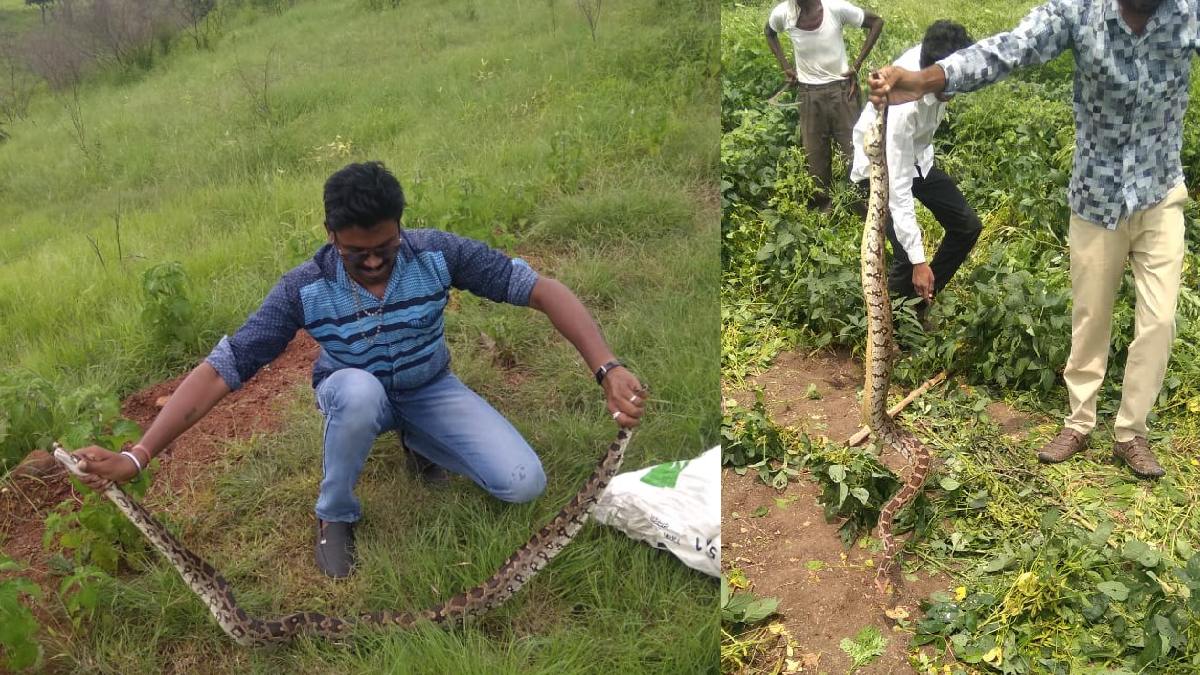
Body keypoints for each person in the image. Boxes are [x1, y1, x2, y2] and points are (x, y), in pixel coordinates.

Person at [68, 161, 648, 576]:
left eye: (384, 246)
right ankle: (335, 514)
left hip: (429, 385)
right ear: (330, 238)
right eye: (355, 251)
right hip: (351, 390)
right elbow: (225, 368)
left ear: (402, 227)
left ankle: (418, 439)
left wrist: (607, 367)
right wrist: (137, 455)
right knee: (361, 393)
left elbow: (541, 290)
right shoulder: (304, 288)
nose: (372, 261)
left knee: (525, 484)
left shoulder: (439, 254)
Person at [868, 0, 1195, 478]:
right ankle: (1080, 422)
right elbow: (1010, 48)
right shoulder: (1079, 13)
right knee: (1090, 315)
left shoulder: (1187, 14)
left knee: (1160, 319)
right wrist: (925, 79)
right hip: (1096, 199)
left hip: (1160, 193)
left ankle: (1132, 433)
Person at [849, 20, 980, 318]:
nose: (956, 89)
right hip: (880, 169)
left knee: (967, 226)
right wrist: (920, 260)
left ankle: (916, 306)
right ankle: (893, 326)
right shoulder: (903, 108)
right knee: (907, 257)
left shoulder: (937, 63)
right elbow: (897, 185)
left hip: (919, 159)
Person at [765, 0, 884, 211]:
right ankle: (822, 210)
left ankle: (861, 206)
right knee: (815, 155)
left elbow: (876, 22)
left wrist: (856, 65)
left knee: (855, 149)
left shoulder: (835, 8)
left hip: (842, 91)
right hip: (808, 94)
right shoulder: (784, 13)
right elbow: (769, 32)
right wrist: (786, 67)